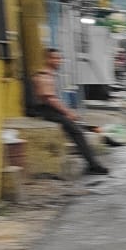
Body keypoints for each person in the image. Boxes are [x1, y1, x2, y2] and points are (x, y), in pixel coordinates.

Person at [30, 48, 108, 176]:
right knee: (76, 131)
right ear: (47, 59)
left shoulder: (51, 75)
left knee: (79, 128)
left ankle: (92, 163)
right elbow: (50, 99)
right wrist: (67, 112)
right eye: (55, 58)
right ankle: (93, 165)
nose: (58, 61)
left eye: (59, 58)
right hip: (44, 110)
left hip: (49, 109)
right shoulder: (44, 76)